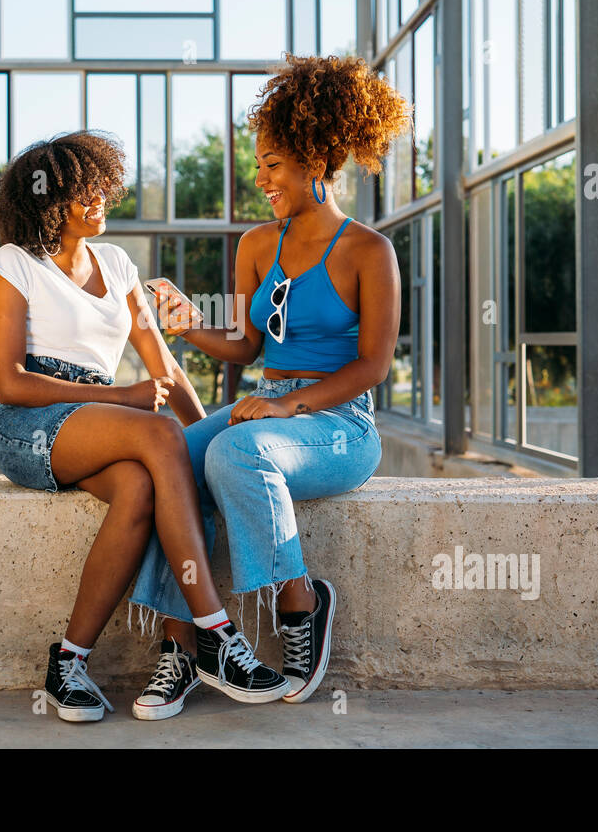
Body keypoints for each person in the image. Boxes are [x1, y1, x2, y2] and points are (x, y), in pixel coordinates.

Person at [129, 53, 410, 714]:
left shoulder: (370, 251)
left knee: (236, 449)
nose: (261, 179)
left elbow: (373, 366)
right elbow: (246, 345)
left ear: (316, 158)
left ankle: (301, 602)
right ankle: (187, 646)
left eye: (273, 164)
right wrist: (189, 324)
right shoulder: (257, 244)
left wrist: (287, 405)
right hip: (267, 407)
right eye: (258, 164)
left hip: (337, 424)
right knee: (164, 457)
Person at [0, 130, 289, 723]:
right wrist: (122, 395)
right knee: (155, 434)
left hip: (100, 420)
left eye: (101, 187)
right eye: (82, 192)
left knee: (141, 487)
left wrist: (208, 438)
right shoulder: (13, 263)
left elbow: (166, 369)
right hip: (28, 425)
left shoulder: (119, 263)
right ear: (48, 201)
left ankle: (67, 662)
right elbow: (10, 382)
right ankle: (217, 634)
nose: (99, 200)